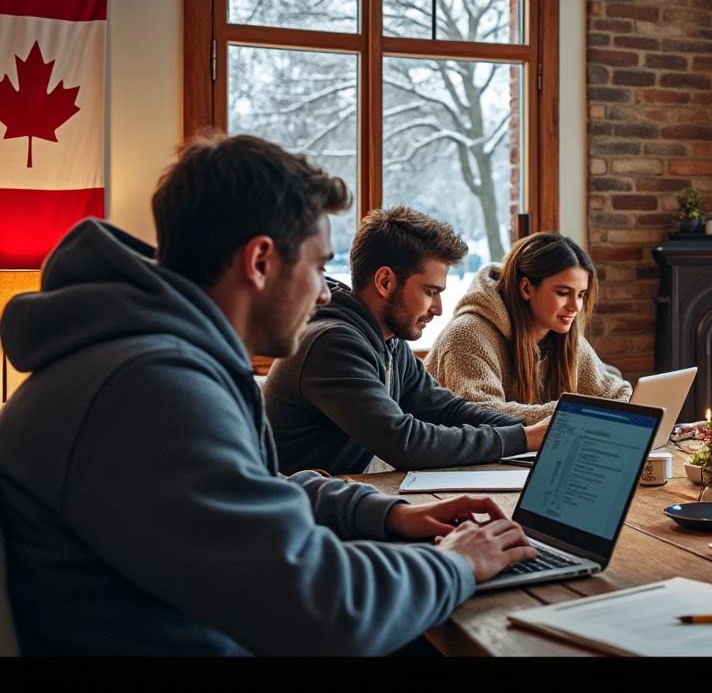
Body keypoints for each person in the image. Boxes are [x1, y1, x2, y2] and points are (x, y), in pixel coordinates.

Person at [0, 134, 536, 655]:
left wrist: (384, 514)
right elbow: (327, 610)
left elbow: (250, 488)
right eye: (317, 266)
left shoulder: (153, 362)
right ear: (259, 261)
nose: (326, 292)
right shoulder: (151, 388)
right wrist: (458, 563)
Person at [265, 206, 547, 476]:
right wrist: (523, 438)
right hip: (294, 514)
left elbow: (446, 409)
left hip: (335, 500)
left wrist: (532, 429)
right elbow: (405, 443)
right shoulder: (332, 344)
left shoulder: (388, 341)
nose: (437, 308)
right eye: (429, 291)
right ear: (385, 282)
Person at [426, 231, 630, 424]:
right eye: (562, 292)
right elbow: (482, 413)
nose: (575, 306)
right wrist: (572, 411)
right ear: (526, 288)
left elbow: (616, 393)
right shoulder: (467, 334)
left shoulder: (563, 336)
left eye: (580, 295)